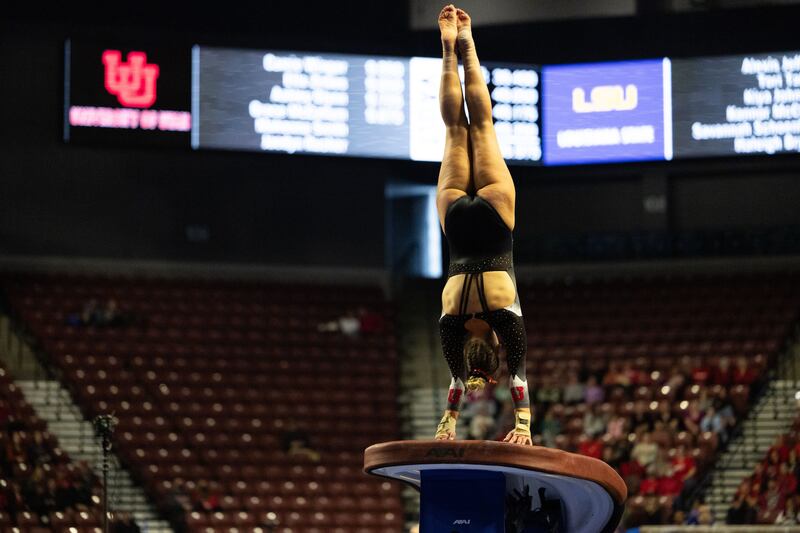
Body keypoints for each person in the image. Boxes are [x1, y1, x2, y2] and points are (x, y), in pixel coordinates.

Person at [433, 4, 531, 446]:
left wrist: (524, 424)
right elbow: (456, 380)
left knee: (482, 126)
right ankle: (450, 52)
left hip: (494, 217)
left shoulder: (504, 318)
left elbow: (519, 374)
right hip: (456, 220)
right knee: (456, 130)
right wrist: (447, 422)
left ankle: (469, 48)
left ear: (494, 346)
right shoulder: (448, 325)